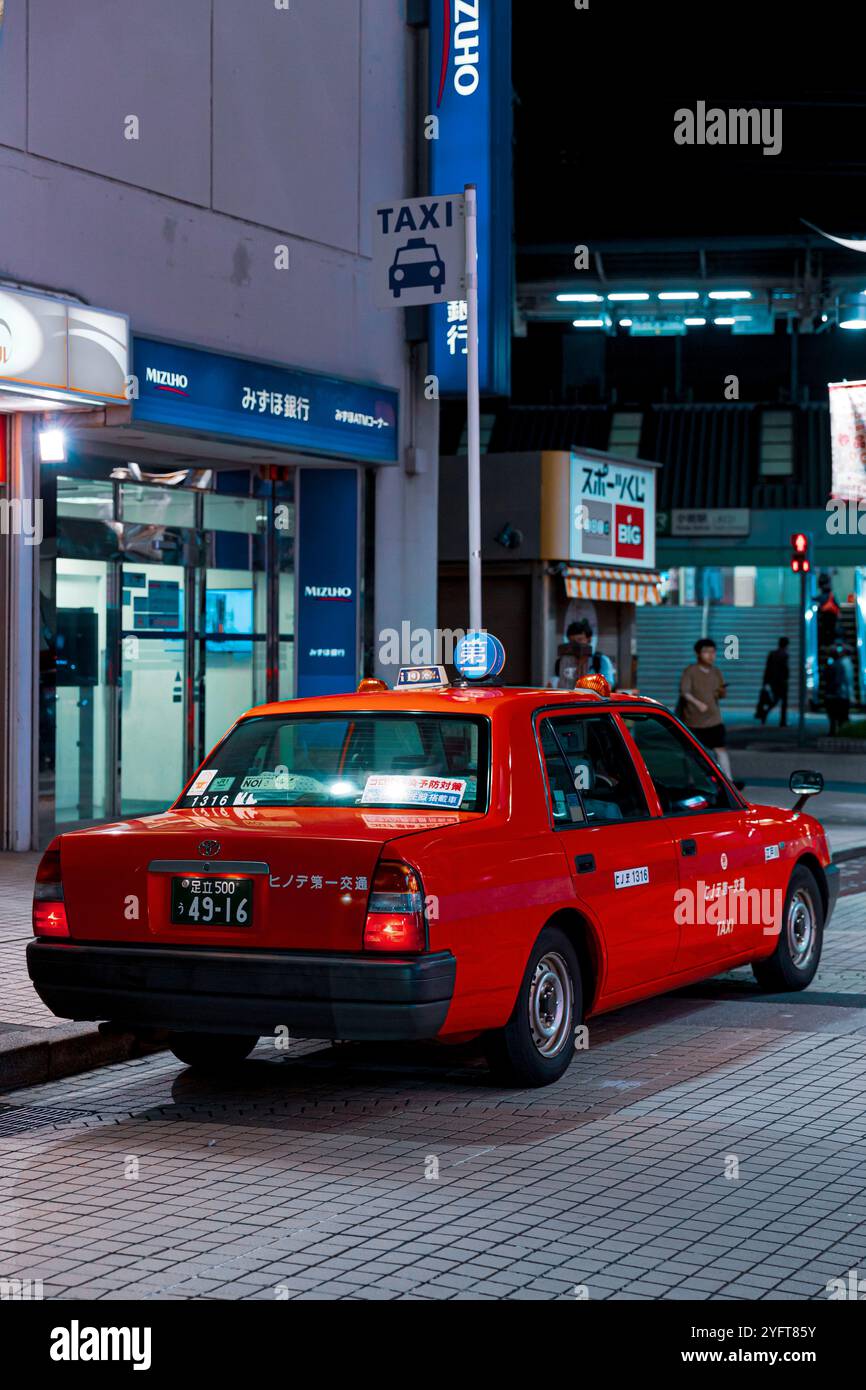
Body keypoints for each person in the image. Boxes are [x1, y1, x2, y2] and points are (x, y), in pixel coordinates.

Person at [679, 638, 732, 778]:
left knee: (720, 749)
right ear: (698, 653)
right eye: (706, 652)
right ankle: (691, 782)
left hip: (714, 720)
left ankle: (729, 781)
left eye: (713, 652)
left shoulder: (716, 672)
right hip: (693, 721)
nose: (710, 655)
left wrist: (721, 691)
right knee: (691, 753)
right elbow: (685, 692)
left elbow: (720, 695)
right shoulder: (690, 671)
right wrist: (698, 703)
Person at [555, 619, 616, 689]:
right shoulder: (561, 662)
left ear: (589, 639)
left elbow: (607, 687)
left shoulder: (600, 661)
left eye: (579, 640)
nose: (575, 645)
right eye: (572, 641)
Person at [755, 637, 790, 727]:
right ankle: (782, 721)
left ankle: (765, 713)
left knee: (775, 700)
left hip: (773, 681)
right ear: (786, 645)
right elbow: (785, 669)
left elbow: (767, 669)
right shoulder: (785, 655)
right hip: (782, 682)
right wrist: (786, 678)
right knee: (782, 701)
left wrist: (765, 681)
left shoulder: (772, 654)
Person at [824, 641, 854, 736]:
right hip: (841, 694)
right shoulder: (844, 663)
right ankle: (841, 732)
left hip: (835, 694)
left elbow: (836, 680)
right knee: (842, 716)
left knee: (835, 715)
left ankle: (836, 732)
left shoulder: (836, 665)